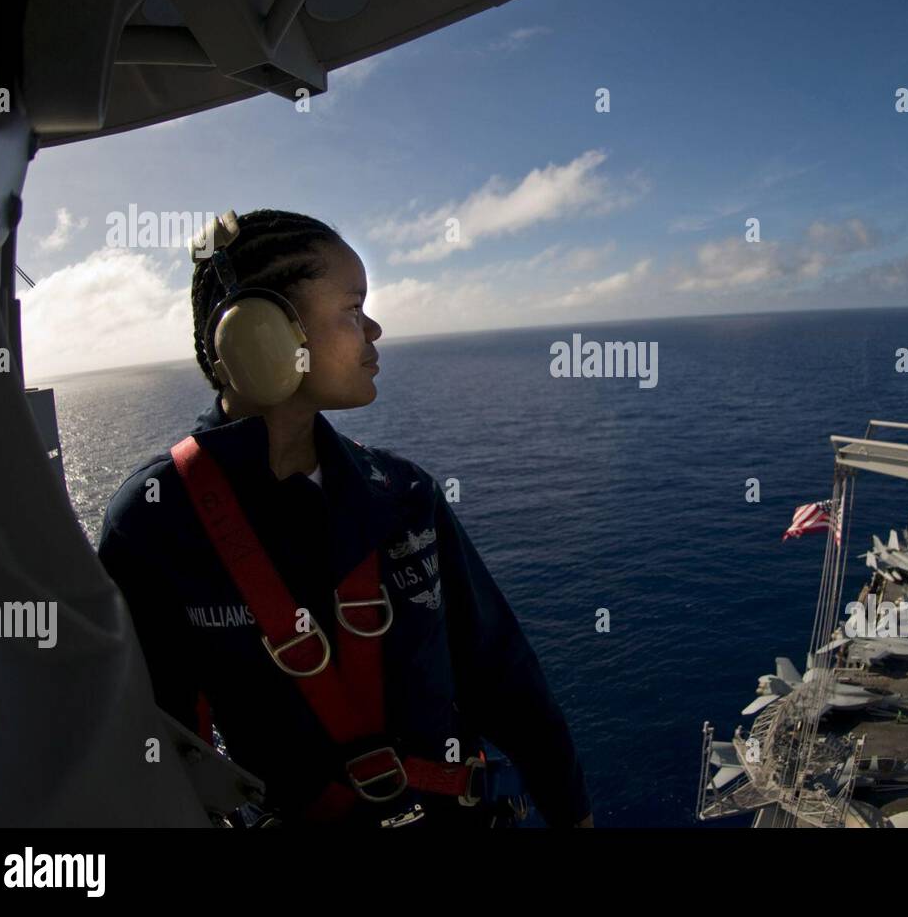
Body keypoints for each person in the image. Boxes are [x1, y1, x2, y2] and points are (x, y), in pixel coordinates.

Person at [98, 208, 593, 828]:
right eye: (353, 310)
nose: (375, 329)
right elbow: (148, 750)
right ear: (264, 332)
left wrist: (571, 813)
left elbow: (501, 673)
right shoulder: (155, 521)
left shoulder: (405, 492)